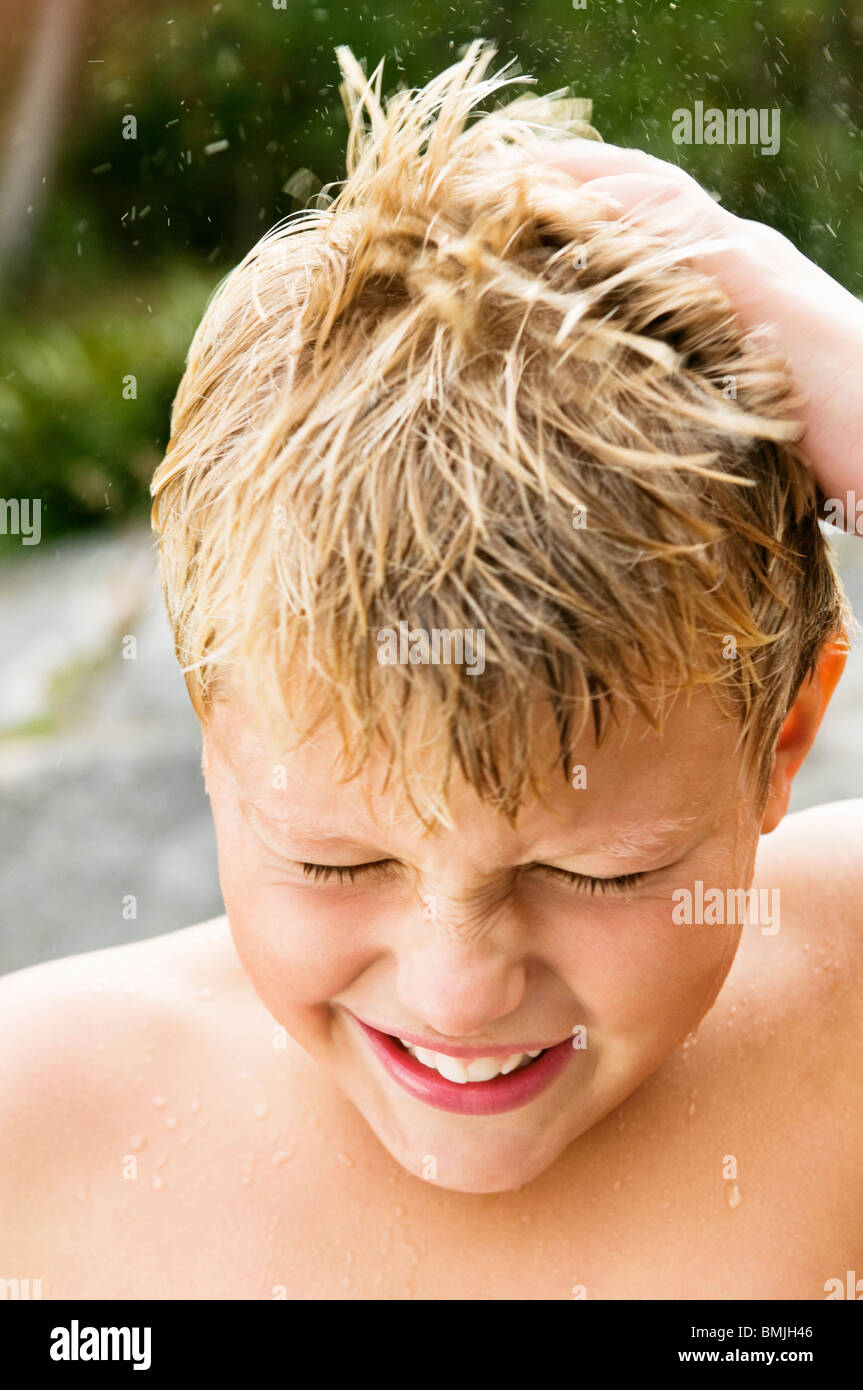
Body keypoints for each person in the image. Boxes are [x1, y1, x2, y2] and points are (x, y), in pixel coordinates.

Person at [2, 40, 862, 1299]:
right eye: (333, 860)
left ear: (783, 740)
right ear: (210, 728)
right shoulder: (42, 1134)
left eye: (595, 869)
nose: (459, 988)